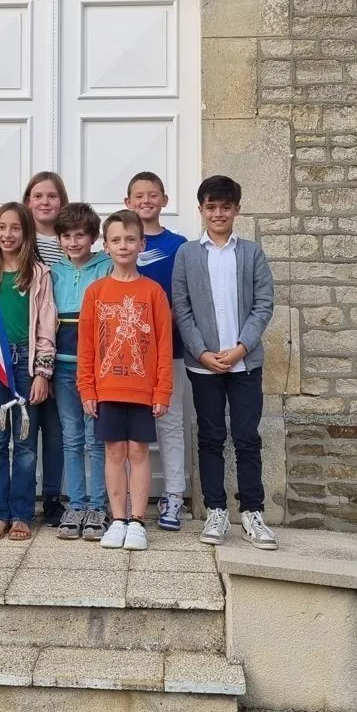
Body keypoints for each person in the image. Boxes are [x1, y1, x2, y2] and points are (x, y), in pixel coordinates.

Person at [172, 175, 277, 550]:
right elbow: (181, 307)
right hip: (203, 365)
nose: (218, 213)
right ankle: (216, 509)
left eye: (225, 207)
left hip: (244, 364)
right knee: (211, 436)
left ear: (236, 209)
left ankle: (252, 511)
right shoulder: (187, 254)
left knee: (247, 437)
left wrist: (240, 348)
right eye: (211, 207)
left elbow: (264, 304)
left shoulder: (251, 253)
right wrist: (201, 351)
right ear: (201, 210)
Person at [78, 210, 173, 550]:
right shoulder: (96, 292)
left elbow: (163, 345)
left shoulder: (153, 292)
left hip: (142, 390)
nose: (123, 246)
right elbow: (86, 345)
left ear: (141, 244)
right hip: (107, 388)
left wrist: (162, 389)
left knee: (139, 452)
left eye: (130, 239)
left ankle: (137, 521)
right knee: (114, 452)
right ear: (105, 246)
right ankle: (117, 518)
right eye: (116, 240)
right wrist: (86, 387)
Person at [0, 202, 56, 542]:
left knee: (25, 442)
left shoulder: (39, 274)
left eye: (15, 228)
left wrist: (42, 373)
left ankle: (21, 513)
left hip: (26, 363)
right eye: (2, 227)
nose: (8, 234)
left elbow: (47, 326)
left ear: (26, 232)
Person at [125, 171, 188, 531]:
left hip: (169, 349)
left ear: (164, 200)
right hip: (127, 356)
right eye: (139, 196)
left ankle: (175, 494)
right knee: (129, 427)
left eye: (153, 195)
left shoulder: (179, 245)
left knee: (171, 421)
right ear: (127, 202)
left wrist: (164, 327)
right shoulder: (120, 241)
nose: (146, 201)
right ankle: (129, 498)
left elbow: (183, 296)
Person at [50, 203, 112, 541]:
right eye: (67, 236)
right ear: (59, 239)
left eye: (80, 235)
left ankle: (97, 506)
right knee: (71, 438)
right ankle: (75, 504)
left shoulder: (106, 268)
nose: (74, 242)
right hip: (62, 367)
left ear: (93, 237)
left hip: (96, 370)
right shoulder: (53, 272)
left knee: (95, 439)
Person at [22, 171, 67, 526]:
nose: (45, 202)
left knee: (56, 429)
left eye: (52, 196)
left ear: (61, 202)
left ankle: (53, 496)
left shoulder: (71, 242)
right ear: (27, 202)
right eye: (38, 196)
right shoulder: (21, 243)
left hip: (63, 344)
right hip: (29, 343)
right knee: (27, 426)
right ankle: (23, 494)